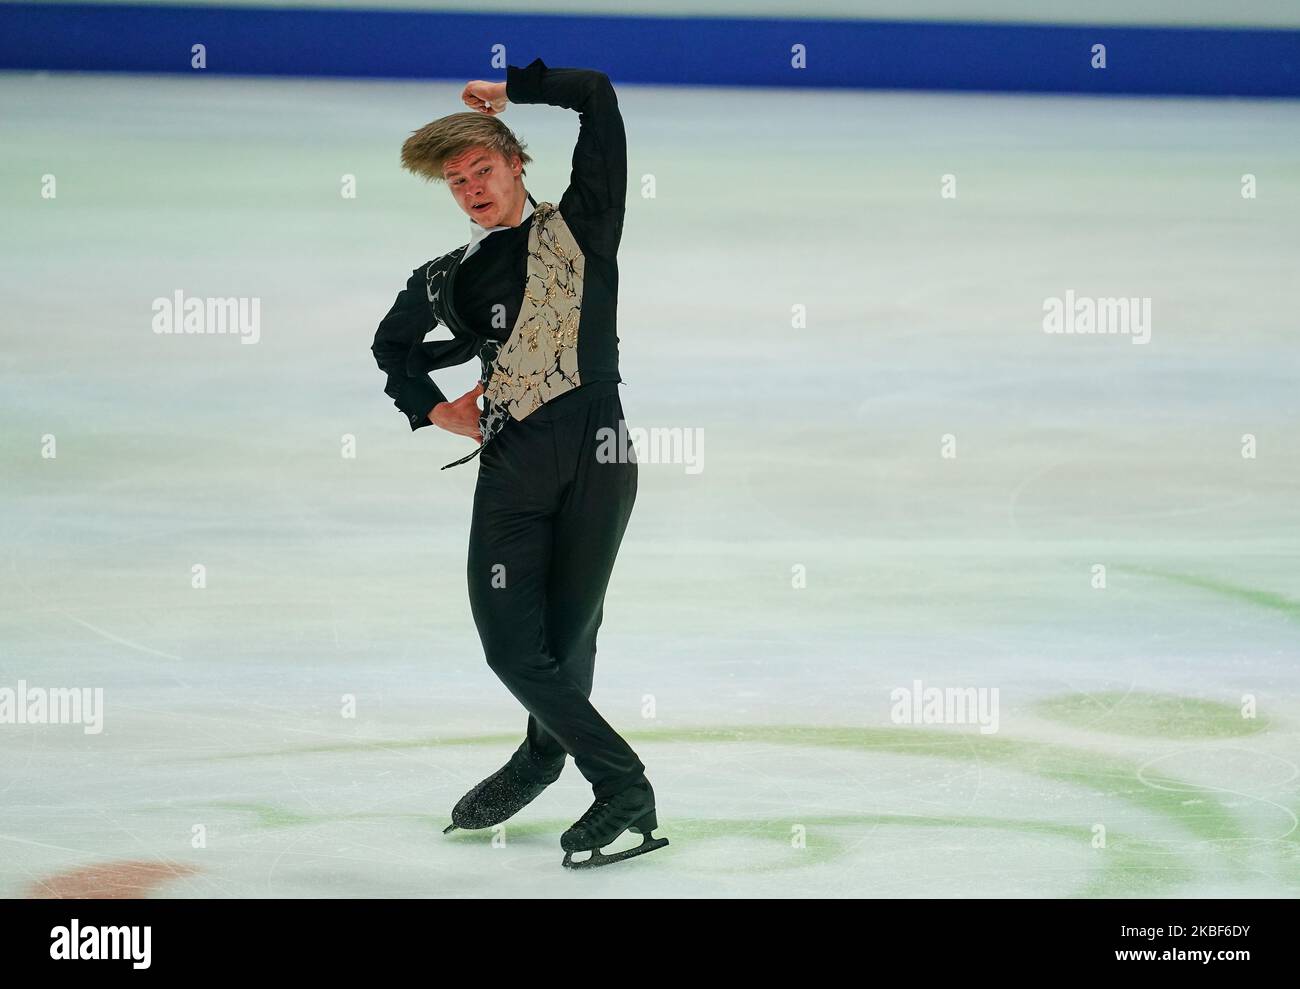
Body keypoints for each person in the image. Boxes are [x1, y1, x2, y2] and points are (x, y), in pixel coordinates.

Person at [370, 57, 667, 868]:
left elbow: (597, 95)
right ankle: (610, 777)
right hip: (514, 464)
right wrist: (435, 408)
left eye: (482, 169)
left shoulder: (584, 224)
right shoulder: (447, 278)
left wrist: (513, 91)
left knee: (567, 641)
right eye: (456, 180)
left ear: (515, 163)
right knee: (511, 647)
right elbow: (391, 347)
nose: (471, 187)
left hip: (601, 453)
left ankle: (551, 761)